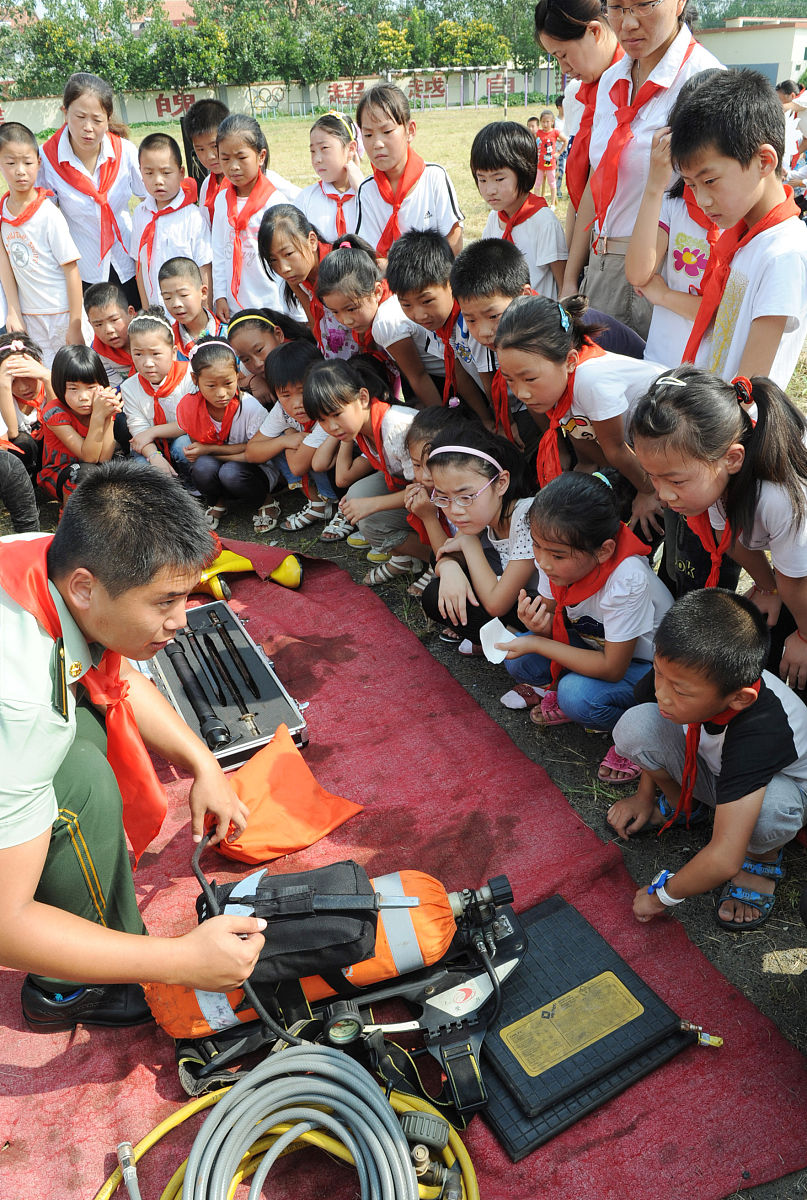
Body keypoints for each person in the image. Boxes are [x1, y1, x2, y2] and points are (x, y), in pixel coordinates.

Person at [0, 461, 265, 1031]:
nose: (181, 622)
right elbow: (5, 924)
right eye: (165, 602)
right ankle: (69, 989)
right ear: (86, 588)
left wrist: (203, 763)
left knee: (84, 733)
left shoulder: (47, 558)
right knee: (80, 780)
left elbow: (115, 676)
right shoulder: (20, 704)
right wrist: (179, 962)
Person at [610, 589, 807, 931]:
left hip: (780, 792)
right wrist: (645, 795)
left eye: (680, 691)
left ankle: (762, 857)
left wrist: (662, 895)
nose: (662, 694)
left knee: (768, 810)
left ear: (739, 699)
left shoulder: (762, 729)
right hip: (721, 772)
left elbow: (724, 859)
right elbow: (657, 710)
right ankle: (686, 806)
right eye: (658, 673)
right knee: (636, 724)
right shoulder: (678, 670)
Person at [629, 366, 807, 690]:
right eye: (653, 476)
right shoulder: (714, 479)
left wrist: (804, 637)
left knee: (792, 660)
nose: (664, 495)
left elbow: (796, 583)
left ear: (733, 459)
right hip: (796, 571)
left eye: (675, 480)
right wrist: (769, 588)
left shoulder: (777, 498)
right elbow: (732, 542)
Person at [496, 472, 671, 783]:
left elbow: (613, 668)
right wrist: (536, 625)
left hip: (650, 669)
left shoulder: (626, 579)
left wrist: (538, 641)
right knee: (519, 659)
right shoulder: (553, 551)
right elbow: (557, 625)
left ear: (603, 551)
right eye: (537, 547)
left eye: (557, 555)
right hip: (594, 643)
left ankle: (640, 734)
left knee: (576, 695)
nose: (544, 563)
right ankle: (566, 696)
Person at [560, 0, 721, 337]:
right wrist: (572, 277)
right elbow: (598, 178)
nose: (627, 23)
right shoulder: (612, 81)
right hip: (600, 264)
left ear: (679, 3)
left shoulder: (705, 82)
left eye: (643, 5)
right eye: (616, 7)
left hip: (658, 273)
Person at [669, 69, 807, 388]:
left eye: (710, 181)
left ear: (764, 162)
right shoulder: (745, 238)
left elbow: (751, 389)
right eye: (690, 185)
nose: (701, 200)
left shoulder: (783, 255)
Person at [494, 294, 665, 536]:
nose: (521, 392)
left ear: (570, 361)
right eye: (510, 379)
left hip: (678, 435)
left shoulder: (589, 381)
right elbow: (580, 434)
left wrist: (647, 491)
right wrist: (581, 471)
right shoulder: (553, 387)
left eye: (529, 378)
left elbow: (615, 450)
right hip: (640, 447)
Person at [624, 72, 722, 367]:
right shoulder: (674, 205)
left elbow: (718, 314)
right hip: (662, 361)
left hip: (711, 378)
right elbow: (639, 274)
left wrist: (664, 295)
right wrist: (654, 185)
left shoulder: (737, 220)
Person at [305, 356, 431, 587]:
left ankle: (438, 560)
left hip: (442, 495)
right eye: (322, 420)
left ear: (363, 397)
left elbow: (429, 490)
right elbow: (342, 478)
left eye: (336, 414)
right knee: (357, 498)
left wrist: (373, 504)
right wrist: (345, 435)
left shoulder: (397, 428)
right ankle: (406, 558)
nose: (331, 426)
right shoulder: (363, 427)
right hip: (414, 488)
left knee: (367, 508)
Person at [422, 427, 537, 656]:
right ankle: (509, 642)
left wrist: (469, 544)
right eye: (443, 497)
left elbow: (496, 604)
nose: (454, 510)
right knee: (435, 593)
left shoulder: (527, 516)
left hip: (550, 615)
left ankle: (529, 653)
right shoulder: (483, 513)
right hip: (521, 607)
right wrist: (449, 567)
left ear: (501, 482)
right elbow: (445, 553)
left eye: (466, 497)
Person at [38, 72, 144, 309]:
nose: (88, 128)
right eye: (80, 117)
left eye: (97, 120)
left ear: (108, 119)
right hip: (85, 269)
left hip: (128, 261)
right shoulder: (47, 158)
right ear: (64, 113)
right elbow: (44, 216)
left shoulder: (124, 152)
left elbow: (149, 198)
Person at [0, 122, 90, 367]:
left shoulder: (48, 213)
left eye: (27, 163)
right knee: (45, 380)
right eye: (10, 163)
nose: (20, 171)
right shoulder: (3, 214)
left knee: (75, 377)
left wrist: (75, 324)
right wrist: (13, 311)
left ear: (38, 163)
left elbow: (71, 270)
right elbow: (5, 265)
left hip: (62, 314)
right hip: (31, 318)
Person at [534, 0, 624, 242]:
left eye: (563, 55)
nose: (564, 68)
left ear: (595, 32)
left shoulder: (632, 88)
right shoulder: (578, 93)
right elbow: (582, 188)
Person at [316, 235, 443, 407]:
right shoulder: (387, 305)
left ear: (376, 292)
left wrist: (440, 419)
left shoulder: (385, 323)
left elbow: (418, 376)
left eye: (351, 309)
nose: (345, 320)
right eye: (335, 312)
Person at [385, 230, 493, 423]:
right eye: (406, 305)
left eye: (427, 301)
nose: (418, 315)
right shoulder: (438, 326)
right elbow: (460, 375)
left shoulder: (472, 320)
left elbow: (489, 379)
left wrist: (504, 423)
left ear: (450, 282)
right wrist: (486, 420)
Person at [354, 83, 464, 259]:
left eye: (387, 131)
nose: (377, 144)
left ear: (410, 130)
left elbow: (454, 243)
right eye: (368, 135)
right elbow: (371, 258)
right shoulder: (367, 191)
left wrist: (401, 265)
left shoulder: (434, 177)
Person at [176, 337, 274, 530]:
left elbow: (256, 451)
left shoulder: (249, 407)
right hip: (217, 463)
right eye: (211, 386)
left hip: (253, 466)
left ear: (237, 375)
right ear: (195, 380)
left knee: (230, 472)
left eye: (228, 383)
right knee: (201, 466)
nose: (221, 393)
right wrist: (203, 452)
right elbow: (199, 449)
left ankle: (266, 501)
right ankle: (218, 502)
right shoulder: (189, 407)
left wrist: (208, 449)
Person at [245, 339, 339, 534]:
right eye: (285, 395)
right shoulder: (282, 410)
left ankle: (339, 505)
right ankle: (317, 504)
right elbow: (251, 453)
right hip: (306, 452)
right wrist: (286, 439)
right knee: (277, 443)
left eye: (303, 392)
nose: (296, 403)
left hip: (346, 470)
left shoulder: (329, 408)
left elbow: (297, 466)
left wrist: (288, 436)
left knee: (301, 452)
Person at [211, 115, 299, 322]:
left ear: (261, 156)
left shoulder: (275, 202)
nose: (233, 166)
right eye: (225, 158)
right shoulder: (222, 200)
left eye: (241, 158)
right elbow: (219, 250)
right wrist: (220, 295)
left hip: (272, 303)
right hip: (235, 305)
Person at [470, 121, 567, 297]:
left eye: (499, 179)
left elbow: (563, 284)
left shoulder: (543, 222)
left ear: (523, 171)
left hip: (539, 318)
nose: (490, 190)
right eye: (482, 179)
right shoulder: (495, 218)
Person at [258, 205, 353, 359]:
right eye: (273, 260)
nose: (283, 268)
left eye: (288, 253)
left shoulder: (341, 270)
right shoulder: (296, 278)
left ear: (312, 241)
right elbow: (316, 325)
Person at [131, 133, 211, 309]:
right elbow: (140, 265)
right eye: (149, 173)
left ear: (181, 173)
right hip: (156, 311)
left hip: (187, 312)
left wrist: (205, 313)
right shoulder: (140, 213)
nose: (158, 181)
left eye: (166, 172)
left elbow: (204, 269)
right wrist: (146, 309)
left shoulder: (193, 217)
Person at [37, 345, 122, 502]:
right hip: (60, 472)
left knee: (119, 467)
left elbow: (104, 458)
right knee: (85, 472)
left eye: (91, 387)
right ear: (60, 387)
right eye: (73, 388)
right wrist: (98, 415)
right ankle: (70, 520)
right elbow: (89, 458)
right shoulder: (55, 412)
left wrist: (108, 416)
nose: (83, 396)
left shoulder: (103, 404)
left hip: (93, 466)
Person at [120, 308, 194, 479]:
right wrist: (155, 456)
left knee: (183, 446)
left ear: (173, 353)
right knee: (142, 467)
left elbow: (191, 423)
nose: (147, 363)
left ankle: (193, 485)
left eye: (156, 354)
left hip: (184, 440)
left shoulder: (189, 376)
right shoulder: (130, 387)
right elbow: (139, 431)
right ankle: (169, 493)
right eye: (138, 354)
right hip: (152, 447)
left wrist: (153, 432)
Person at [226, 306, 314, 405]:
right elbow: (232, 382)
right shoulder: (250, 362)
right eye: (246, 360)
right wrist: (252, 381)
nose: (257, 364)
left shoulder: (304, 359)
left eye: (259, 350)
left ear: (278, 334)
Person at [298, 112, 364, 242]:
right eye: (312, 151)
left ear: (351, 148)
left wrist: (361, 190)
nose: (317, 159)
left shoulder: (371, 194)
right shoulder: (306, 199)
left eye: (324, 148)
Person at [0, 332, 52, 478]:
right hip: (28, 461)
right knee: (22, 443)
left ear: (39, 364)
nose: (23, 388)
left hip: (55, 454)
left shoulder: (52, 382)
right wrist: (4, 384)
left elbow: (58, 420)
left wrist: (47, 377)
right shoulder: (4, 396)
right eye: (13, 381)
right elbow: (12, 433)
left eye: (26, 375)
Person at [159, 257, 225, 360]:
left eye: (183, 295)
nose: (176, 304)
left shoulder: (227, 333)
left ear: (203, 292)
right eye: (167, 297)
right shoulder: (167, 342)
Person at [184, 97, 229, 231]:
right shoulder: (206, 185)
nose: (209, 156)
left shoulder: (250, 178)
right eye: (200, 149)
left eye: (214, 146)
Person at [83, 281, 136, 388]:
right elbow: (118, 389)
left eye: (114, 319)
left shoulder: (150, 335)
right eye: (98, 324)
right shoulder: (98, 354)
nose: (108, 330)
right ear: (90, 323)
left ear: (130, 313)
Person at [534, 109, 567, 207]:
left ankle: (553, 203)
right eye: (543, 122)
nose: (545, 124)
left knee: (552, 183)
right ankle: (536, 202)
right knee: (537, 183)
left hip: (551, 164)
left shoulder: (555, 132)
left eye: (547, 122)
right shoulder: (539, 133)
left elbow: (565, 140)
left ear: (552, 122)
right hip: (540, 163)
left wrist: (559, 152)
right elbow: (533, 142)